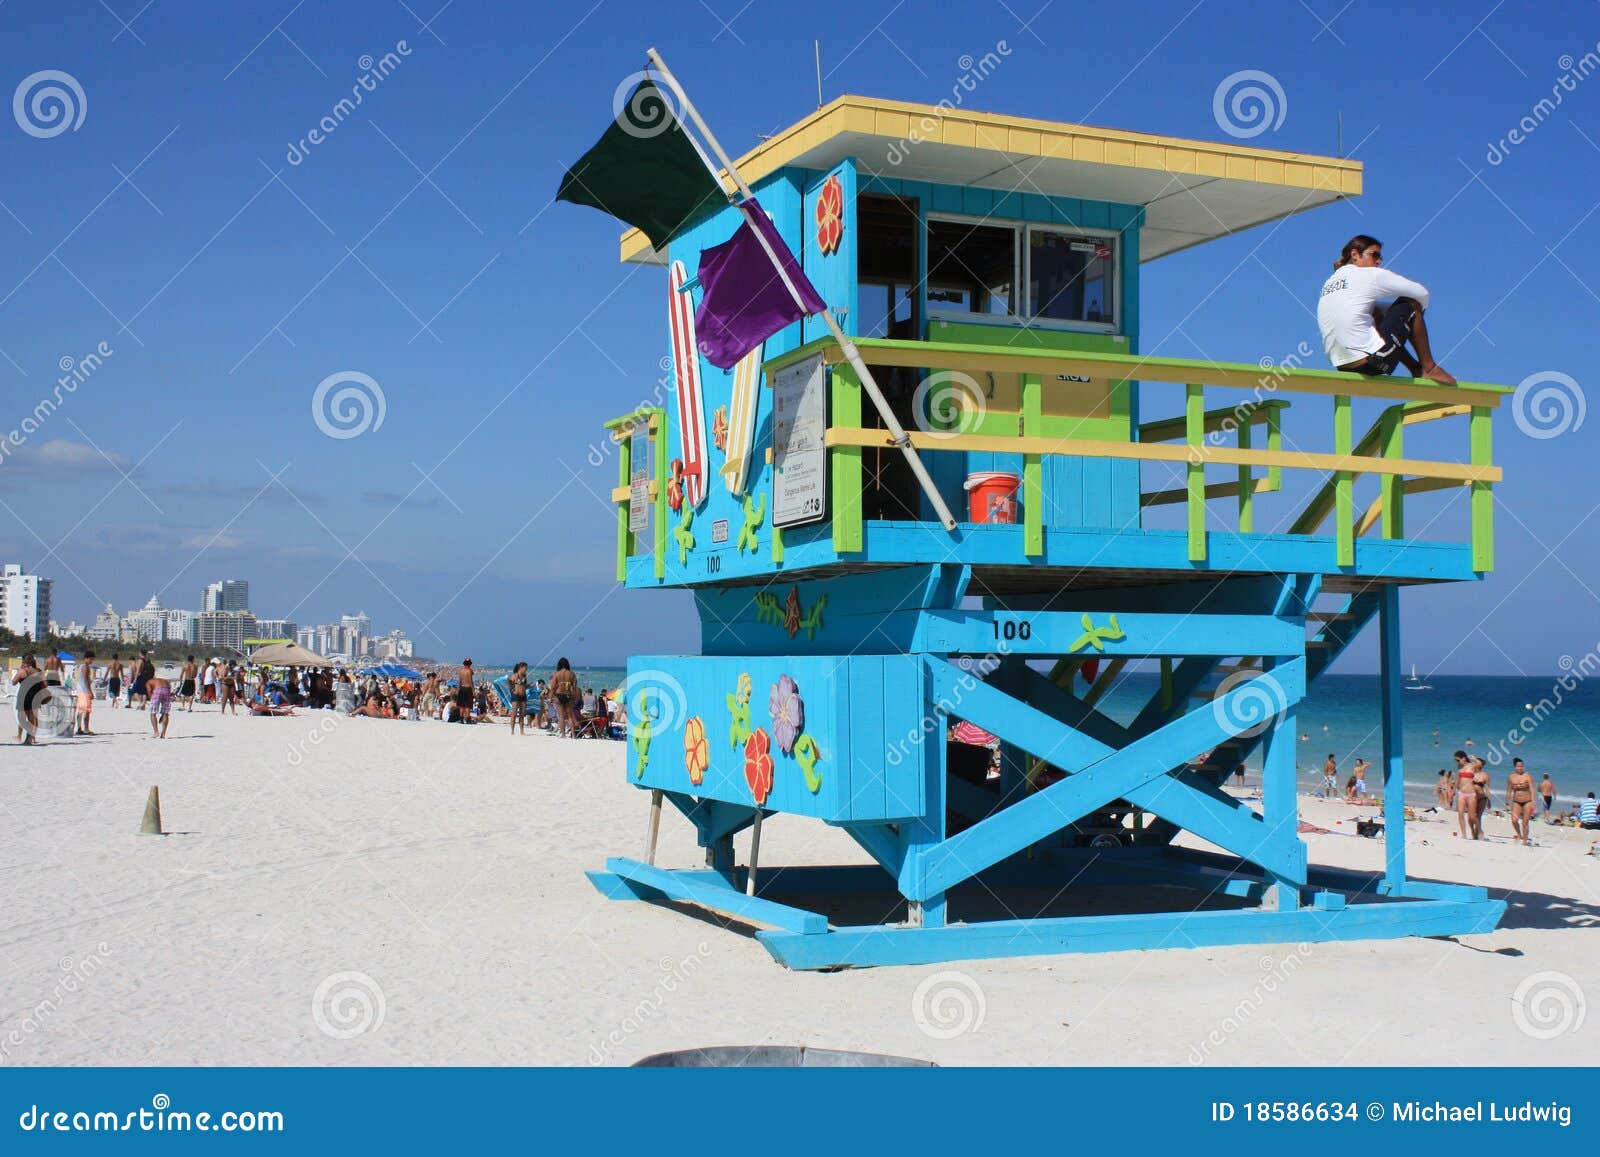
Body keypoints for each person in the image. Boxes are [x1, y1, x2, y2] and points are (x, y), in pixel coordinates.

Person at [1317, 234, 1457, 384]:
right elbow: (1422, 294)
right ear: (1355, 255)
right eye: (1374, 255)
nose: (1379, 261)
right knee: (1412, 304)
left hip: (1342, 366)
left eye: (1380, 257)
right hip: (1373, 362)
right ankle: (1429, 368)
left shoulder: (1329, 283)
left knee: (1374, 311)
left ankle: (1417, 369)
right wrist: (1414, 318)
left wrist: (1391, 315)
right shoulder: (1370, 274)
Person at [13, 654, 42, 744]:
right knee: (32, 719)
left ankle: (24, 736)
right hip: (35, 696)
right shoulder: (38, 671)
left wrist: (19, 671)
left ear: (24, 662)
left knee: (21, 718)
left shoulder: (22, 671)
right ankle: (31, 737)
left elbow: (14, 682)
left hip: (24, 696)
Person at [1506, 757, 1536, 846]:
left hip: (1527, 801)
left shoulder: (1527, 776)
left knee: (1525, 822)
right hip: (1516, 801)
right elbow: (1509, 790)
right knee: (1514, 820)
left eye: (1522, 766)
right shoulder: (1511, 777)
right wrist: (1507, 803)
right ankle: (1519, 835)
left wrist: (1533, 801)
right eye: (1518, 766)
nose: (1520, 768)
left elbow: (1532, 789)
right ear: (1515, 767)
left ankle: (1525, 840)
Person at [548, 658, 580, 739]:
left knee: (561, 716)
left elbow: (552, 687)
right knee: (570, 716)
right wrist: (575, 698)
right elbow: (574, 688)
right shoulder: (572, 674)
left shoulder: (557, 674)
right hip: (568, 695)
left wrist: (550, 697)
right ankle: (573, 735)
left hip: (559, 695)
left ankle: (563, 735)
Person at [1453, 750, 1477, 840]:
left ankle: (1474, 831)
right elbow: (1458, 780)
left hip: (1471, 794)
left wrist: (1474, 759)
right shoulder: (1459, 767)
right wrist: (1454, 790)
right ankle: (1464, 834)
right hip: (1461, 793)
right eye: (1456, 760)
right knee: (1460, 813)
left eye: (1458, 760)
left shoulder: (1472, 766)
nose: (1457, 762)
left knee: (1472, 816)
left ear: (1463, 758)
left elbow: (1480, 765)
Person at [74, 651, 96, 736]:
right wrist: (90, 691)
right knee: (86, 711)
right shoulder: (85, 667)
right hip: (84, 691)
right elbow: (86, 680)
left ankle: (79, 728)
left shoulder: (81, 666)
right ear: (86, 658)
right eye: (91, 659)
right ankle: (86, 729)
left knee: (81, 710)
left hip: (81, 691)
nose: (91, 661)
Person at [508, 662, 530, 735]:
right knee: (514, 713)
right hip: (516, 696)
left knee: (522, 714)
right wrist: (512, 691)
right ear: (520, 667)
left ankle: (522, 731)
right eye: (525, 668)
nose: (526, 670)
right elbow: (509, 683)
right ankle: (512, 730)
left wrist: (529, 686)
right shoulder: (515, 675)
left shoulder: (524, 677)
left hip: (523, 696)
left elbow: (524, 686)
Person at [456, 659, 475, 724]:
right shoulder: (469, 671)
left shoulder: (461, 671)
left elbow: (460, 681)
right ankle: (467, 719)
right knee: (468, 705)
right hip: (468, 688)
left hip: (462, 688)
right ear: (470, 664)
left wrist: (458, 689)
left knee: (461, 705)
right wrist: (473, 690)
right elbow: (470, 681)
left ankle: (461, 719)